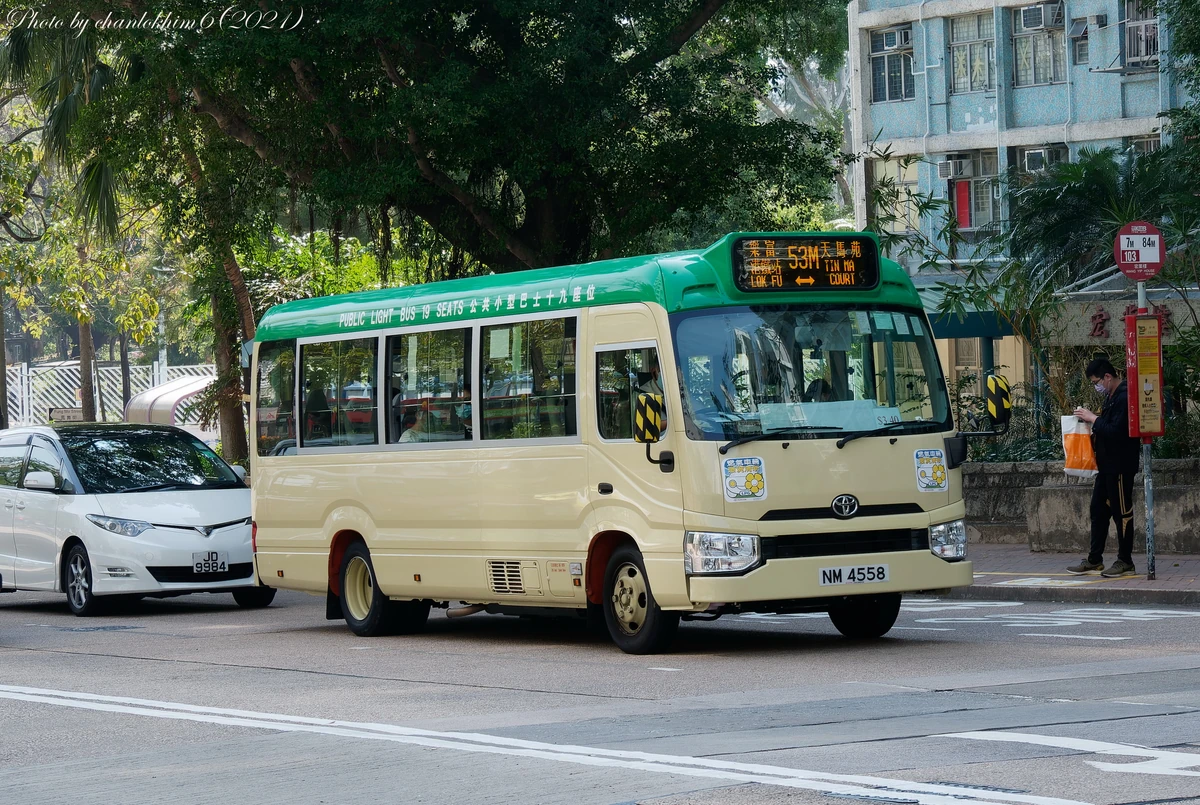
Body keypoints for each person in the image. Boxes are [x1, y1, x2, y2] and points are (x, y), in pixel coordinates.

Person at [1067, 357, 1141, 577]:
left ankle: (1125, 561)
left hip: (1120, 466)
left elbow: (1116, 431)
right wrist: (1091, 420)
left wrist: (1093, 419)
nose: (1096, 386)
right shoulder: (1112, 396)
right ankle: (1094, 559)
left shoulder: (1125, 396)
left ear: (1108, 377)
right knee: (1098, 511)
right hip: (1106, 466)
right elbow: (1106, 427)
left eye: (1096, 381)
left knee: (1122, 513)